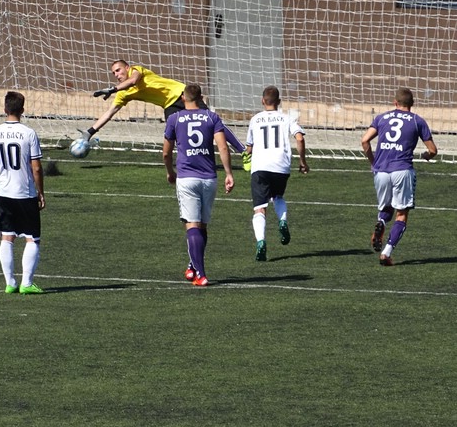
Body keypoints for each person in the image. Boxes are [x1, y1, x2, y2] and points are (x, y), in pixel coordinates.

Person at [85, 59, 244, 151]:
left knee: (213, 122)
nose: (116, 74)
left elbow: (133, 80)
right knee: (173, 133)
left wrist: (112, 89)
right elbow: (110, 112)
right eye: (113, 73)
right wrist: (89, 132)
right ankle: (189, 160)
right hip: (169, 105)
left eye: (118, 70)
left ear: (127, 67)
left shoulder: (136, 70)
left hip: (182, 93)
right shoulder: (123, 93)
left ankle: (243, 151)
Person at [163, 83, 234, 287]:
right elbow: (222, 146)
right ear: (201, 97)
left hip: (187, 178)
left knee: (191, 225)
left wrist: (170, 172)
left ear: (183, 99)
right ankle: (193, 267)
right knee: (202, 225)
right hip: (209, 178)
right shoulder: (211, 117)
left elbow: (166, 152)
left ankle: (200, 274)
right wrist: (228, 173)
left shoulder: (174, 119)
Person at [360, 87, 438, 266]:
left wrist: (373, 162)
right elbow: (433, 150)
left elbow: (365, 141)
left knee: (386, 208)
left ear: (395, 103)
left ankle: (380, 223)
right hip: (402, 170)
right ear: (412, 104)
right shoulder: (417, 121)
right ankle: (386, 253)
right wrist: (426, 156)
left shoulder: (381, 117)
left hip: (381, 171)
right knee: (401, 214)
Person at [0, 91, 46, 294]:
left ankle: (10, 283)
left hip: (3, 193)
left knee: (7, 237)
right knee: (32, 238)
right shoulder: (29, 133)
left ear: (4, 109)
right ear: (23, 110)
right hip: (25, 193)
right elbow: (36, 167)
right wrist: (41, 192)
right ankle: (27, 283)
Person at [244, 85, 309, 262]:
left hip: (261, 167)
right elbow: (300, 138)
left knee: (260, 208)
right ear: (279, 102)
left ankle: (261, 242)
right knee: (278, 196)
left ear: (262, 100)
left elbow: (248, 149)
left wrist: (245, 156)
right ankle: (282, 221)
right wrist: (302, 161)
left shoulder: (255, 119)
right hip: (281, 166)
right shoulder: (286, 118)